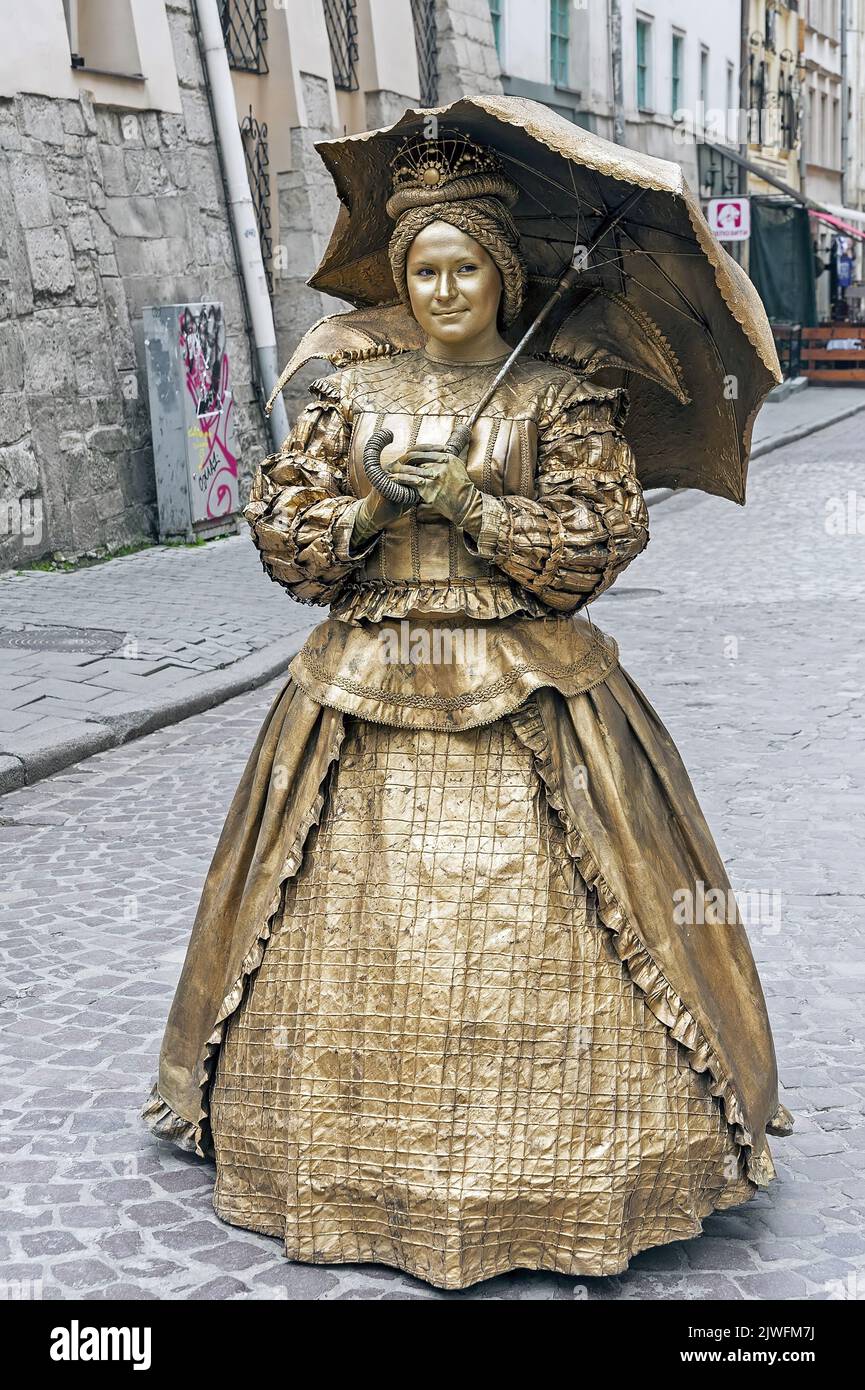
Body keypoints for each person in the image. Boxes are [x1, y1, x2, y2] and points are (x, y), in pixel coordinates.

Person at [142, 133, 792, 1291]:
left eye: (466, 269)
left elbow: (598, 540)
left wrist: (478, 510)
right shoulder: (353, 390)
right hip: (362, 681)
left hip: (526, 685)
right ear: (401, 276)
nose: (444, 291)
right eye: (424, 270)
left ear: (502, 275)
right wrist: (367, 512)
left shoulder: (561, 396)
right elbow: (286, 534)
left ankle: (572, 1167)